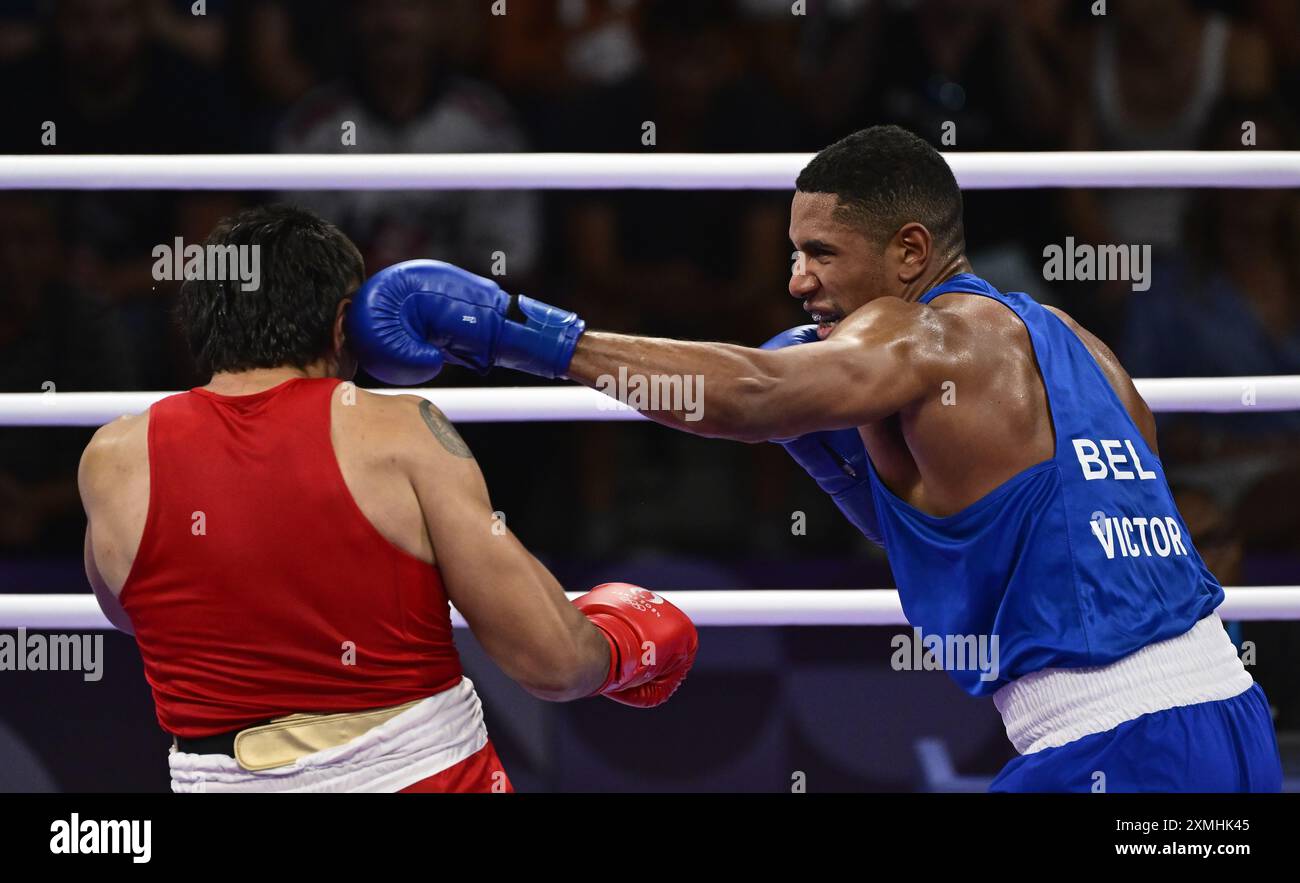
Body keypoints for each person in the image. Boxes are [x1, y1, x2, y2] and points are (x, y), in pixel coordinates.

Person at [346, 125, 1282, 792]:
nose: (796, 280)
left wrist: (524, 336)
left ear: (909, 252)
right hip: (1227, 718)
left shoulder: (924, 338)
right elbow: (1017, 530)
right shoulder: (1080, 345)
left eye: (820, 253)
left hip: (1119, 742)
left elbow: (754, 394)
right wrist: (848, 465)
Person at [76, 204, 698, 793]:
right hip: (421, 775)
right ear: (349, 323)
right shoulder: (398, 431)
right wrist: (623, 645)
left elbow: (133, 613)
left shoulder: (114, 457)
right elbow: (553, 661)